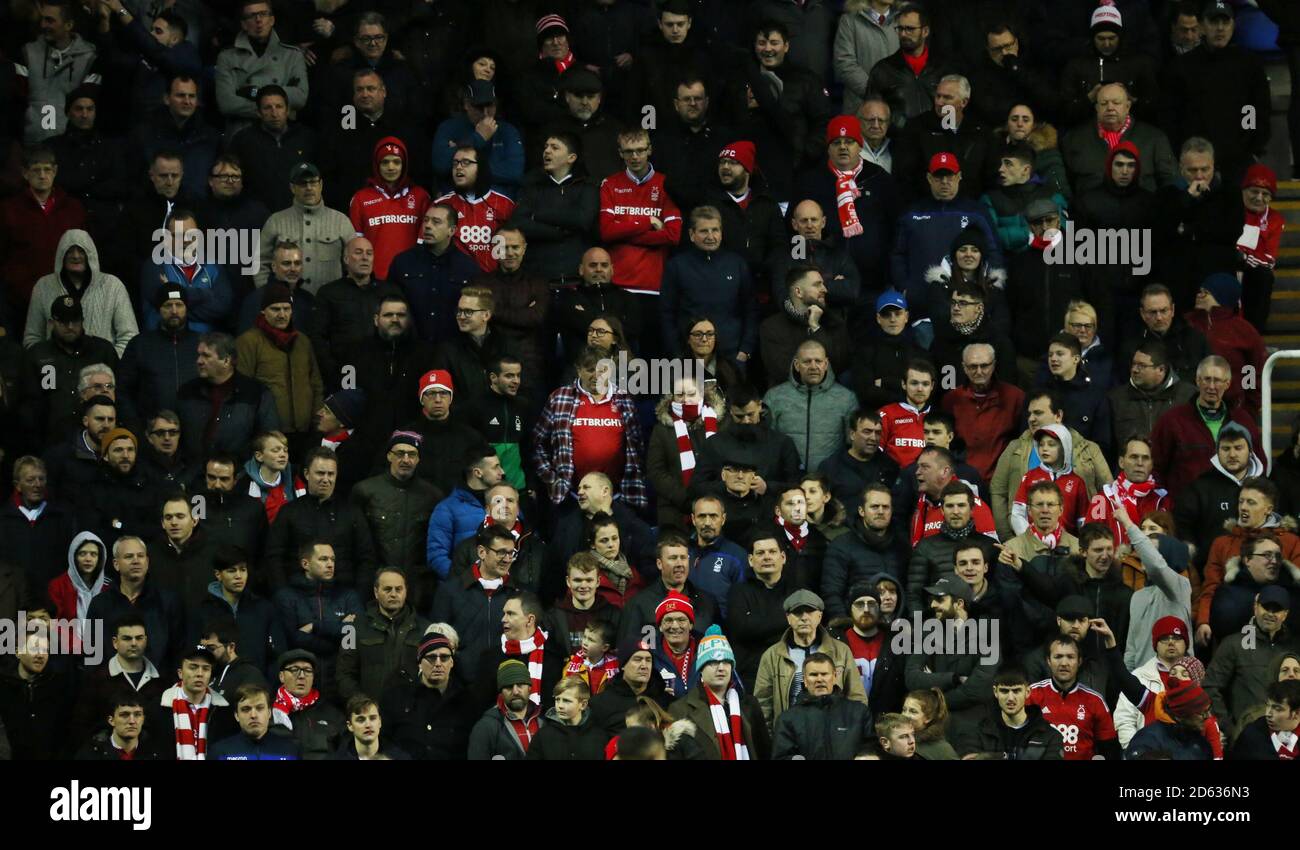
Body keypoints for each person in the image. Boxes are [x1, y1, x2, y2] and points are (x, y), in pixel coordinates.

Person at [598, 127, 683, 352]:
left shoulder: (665, 184)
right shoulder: (610, 184)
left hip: (652, 286)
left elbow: (673, 236)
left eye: (639, 151)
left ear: (649, 150)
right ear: (620, 153)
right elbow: (606, 231)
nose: (634, 157)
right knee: (617, 356)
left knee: (650, 357)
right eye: (628, 152)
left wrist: (624, 231)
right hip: (618, 286)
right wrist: (648, 223)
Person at [533, 345, 648, 511]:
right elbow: (537, 444)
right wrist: (551, 478)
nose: (597, 376)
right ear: (578, 370)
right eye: (590, 370)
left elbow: (638, 447)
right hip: (570, 496)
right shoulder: (559, 398)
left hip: (617, 497)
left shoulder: (624, 400)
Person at [991, 390, 1112, 542]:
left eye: (1038, 413)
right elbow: (998, 491)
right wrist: (1007, 536)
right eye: (1029, 414)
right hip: (1023, 541)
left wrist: (1091, 540)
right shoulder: (1014, 448)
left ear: (1058, 416)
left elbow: (1107, 492)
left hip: (1073, 543)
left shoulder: (1088, 448)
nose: (1031, 419)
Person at [1150, 355, 1263, 499]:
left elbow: (1259, 465)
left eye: (1217, 381)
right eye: (1207, 379)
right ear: (1197, 381)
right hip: (1186, 511)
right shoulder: (1172, 420)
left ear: (1227, 384)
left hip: (1235, 507)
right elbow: (1155, 468)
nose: (1211, 386)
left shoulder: (1243, 421)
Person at [754, 589, 868, 728]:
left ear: (820, 616)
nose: (804, 617)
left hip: (834, 732)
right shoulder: (772, 656)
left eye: (810, 611)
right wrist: (775, 741)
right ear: (788, 618)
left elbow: (856, 697)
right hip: (790, 734)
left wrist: (849, 733)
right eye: (797, 612)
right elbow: (763, 706)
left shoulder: (841, 651)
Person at [904, 576, 998, 739]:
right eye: (933, 600)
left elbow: (977, 690)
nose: (933, 605)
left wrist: (934, 702)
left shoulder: (987, 636)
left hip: (974, 728)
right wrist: (952, 679)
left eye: (940, 599)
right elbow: (911, 678)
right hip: (934, 730)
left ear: (959, 604)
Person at [1204, 584, 1300, 740]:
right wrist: (1230, 729)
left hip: (1291, 739)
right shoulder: (1233, 644)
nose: (1269, 613)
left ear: (1285, 614)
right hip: (1249, 738)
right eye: (1265, 607)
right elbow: (1210, 687)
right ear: (1256, 607)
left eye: (1276, 610)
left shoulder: (1295, 648)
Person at [668, 626, 770, 759]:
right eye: (713, 663)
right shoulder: (679, 709)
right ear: (701, 669)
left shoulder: (749, 704)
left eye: (726, 662)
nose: (721, 668)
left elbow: (764, 751)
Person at [1062, 82, 1175, 194]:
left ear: (1127, 106)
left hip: (1142, 209)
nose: (1110, 107)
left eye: (1116, 103)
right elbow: (1065, 184)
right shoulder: (1075, 138)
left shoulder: (1154, 138)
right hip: (1091, 209)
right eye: (1104, 103)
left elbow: (1170, 181)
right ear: (1096, 108)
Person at [1175, 424, 1266, 566]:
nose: (1232, 455)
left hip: (1259, 573)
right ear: (1217, 452)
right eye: (1226, 448)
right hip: (1213, 573)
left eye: (1238, 448)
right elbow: (1183, 527)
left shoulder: (1266, 486)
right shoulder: (1199, 488)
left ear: (1251, 451)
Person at [336, 568, 430, 703]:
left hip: (412, 713)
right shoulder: (352, 628)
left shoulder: (426, 629)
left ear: (406, 591)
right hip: (370, 714)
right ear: (376, 592)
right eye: (387, 589)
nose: (393, 594)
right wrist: (363, 704)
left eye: (398, 589)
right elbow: (344, 674)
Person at [764, 339, 857, 473]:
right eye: (807, 362)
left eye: (818, 361)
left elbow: (852, 446)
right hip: (786, 479)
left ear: (826, 364)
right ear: (796, 365)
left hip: (829, 481)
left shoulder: (847, 398)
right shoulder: (774, 397)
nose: (813, 366)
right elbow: (766, 442)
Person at [1026, 634, 1120, 760]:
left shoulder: (1095, 701)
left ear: (1079, 661)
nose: (1064, 663)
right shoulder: (1031, 695)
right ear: (1048, 661)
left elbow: (1109, 749)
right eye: (1058, 657)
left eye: (1070, 657)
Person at [214, 1, 308, 124]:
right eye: (252, 16)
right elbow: (226, 104)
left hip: (282, 131)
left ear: (272, 20)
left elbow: (300, 97)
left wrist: (256, 92)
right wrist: (276, 108)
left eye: (263, 14)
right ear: (243, 24)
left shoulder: (292, 55)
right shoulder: (227, 57)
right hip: (243, 130)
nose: (258, 20)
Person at [1185, 273, 1266, 417]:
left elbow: (1252, 371)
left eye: (1206, 293)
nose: (1199, 295)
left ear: (1222, 297)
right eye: (1200, 291)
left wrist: (1248, 409)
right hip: (1189, 409)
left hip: (1233, 410)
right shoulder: (1186, 323)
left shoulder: (1244, 331)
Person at [771, 651, 873, 760]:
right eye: (813, 675)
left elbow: (872, 750)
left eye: (824, 674)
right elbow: (780, 757)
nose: (819, 679)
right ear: (805, 680)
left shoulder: (859, 712)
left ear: (834, 677)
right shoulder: (787, 719)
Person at [954, 666, 1064, 760]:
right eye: (1004, 691)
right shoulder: (975, 734)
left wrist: (990, 757)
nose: (1010, 698)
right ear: (995, 692)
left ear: (1028, 692)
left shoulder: (1051, 737)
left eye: (1016, 691)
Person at [865, 4, 947, 127]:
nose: (903, 34)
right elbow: (872, 113)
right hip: (897, 141)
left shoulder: (943, 68)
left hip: (936, 140)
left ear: (925, 31)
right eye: (900, 29)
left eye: (910, 29)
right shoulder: (883, 70)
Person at [153, 644, 236, 760]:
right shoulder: (158, 708)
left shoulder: (224, 711)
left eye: (206, 668)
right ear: (180, 673)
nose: (200, 674)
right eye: (193, 667)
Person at [1011, 427, 1089, 538]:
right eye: (1041, 444)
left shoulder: (1077, 482)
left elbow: (1083, 521)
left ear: (1064, 448)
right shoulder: (1029, 476)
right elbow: (1017, 513)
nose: (1044, 449)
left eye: (1051, 444)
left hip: (1066, 547)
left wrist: (1077, 543)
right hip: (1033, 546)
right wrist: (1031, 539)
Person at [817, 409, 899, 509]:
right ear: (852, 434)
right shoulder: (830, 467)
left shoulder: (890, 466)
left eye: (877, 433)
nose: (873, 438)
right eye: (867, 432)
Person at [468, 660, 544, 760]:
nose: (515, 691)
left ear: (530, 687)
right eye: (509, 687)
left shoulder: (544, 720)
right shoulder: (486, 727)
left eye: (520, 684)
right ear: (501, 692)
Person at [1124, 678, 1216, 761]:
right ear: (1180, 715)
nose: (1208, 716)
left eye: (1208, 710)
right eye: (1202, 713)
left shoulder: (1202, 745)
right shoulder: (1147, 739)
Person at [525, 677, 606, 760]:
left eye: (566, 701)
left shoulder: (599, 737)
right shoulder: (543, 736)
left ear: (583, 705)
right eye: (557, 699)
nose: (560, 706)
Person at [1228, 679, 1300, 760]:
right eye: (1268, 705)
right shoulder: (1251, 736)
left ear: (1296, 714)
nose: (1268, 714)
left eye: (1277, 709)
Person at [334, 695, 408, 760]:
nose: (368, 725)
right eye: (361, 720)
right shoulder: (337, 758)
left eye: (372, 718)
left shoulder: (399, 757)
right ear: (350, 726)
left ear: (380, 722)